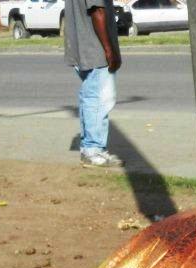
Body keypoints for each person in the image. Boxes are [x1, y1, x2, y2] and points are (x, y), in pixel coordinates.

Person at [64, 0, 122, 168]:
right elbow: (98, 11)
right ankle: (93, 151)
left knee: (90, 97)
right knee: (99, 100)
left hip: (83, 49)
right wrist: (109, 50)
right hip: (95, 51)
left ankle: (89, 148)